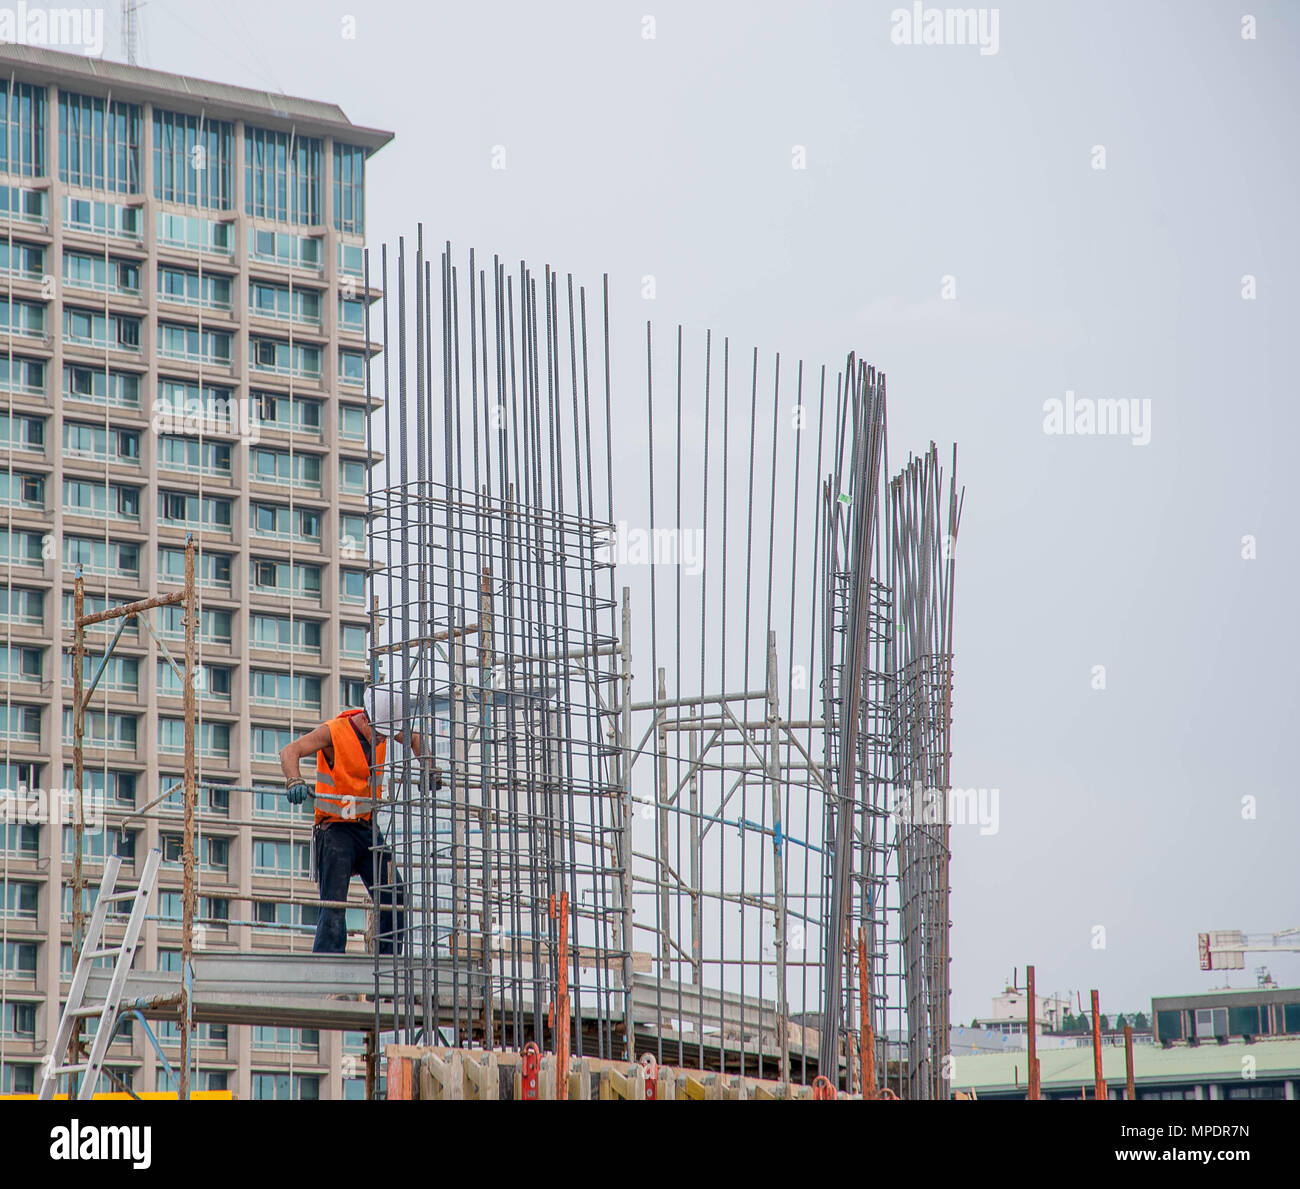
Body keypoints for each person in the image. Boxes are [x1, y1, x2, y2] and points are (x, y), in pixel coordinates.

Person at [279, 687, 419, 954]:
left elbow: (415, 739)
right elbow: (290, 751)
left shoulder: (383, 727)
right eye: (378, 735)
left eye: (386, 736)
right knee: (334, 907)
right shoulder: (334, 732)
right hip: (335, 831)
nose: (381, 741)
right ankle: (328, 975)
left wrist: (429, 767)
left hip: (367, 831)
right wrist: (294, 779)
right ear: (365, 719)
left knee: (396, 897)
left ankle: (387, 969)